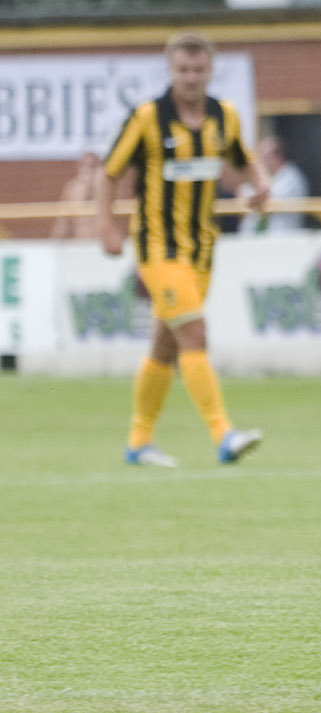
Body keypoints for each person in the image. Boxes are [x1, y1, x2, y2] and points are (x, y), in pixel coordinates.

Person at [95, 32, 270, 468]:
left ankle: (139, 442)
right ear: (170, 71)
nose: (191, 77)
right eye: (183, 70)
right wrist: (106, 227)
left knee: (165, 345)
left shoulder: (224, 116)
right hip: (158, 246)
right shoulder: (147, 118)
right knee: (194, 332)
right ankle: (224, 435)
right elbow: (109, 172)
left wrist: (261, 184)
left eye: (199, 69)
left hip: (202, 249)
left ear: (210, 70)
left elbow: (243, 159)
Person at [250, 134, 310, 231]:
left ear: (277, 157)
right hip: (269, 235)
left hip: (285, 234)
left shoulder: (292, 177)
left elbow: (265, 200)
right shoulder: (273, 177)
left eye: (264, 157)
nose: (260, 162)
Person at [50, 150, 100, 239]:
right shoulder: (71, 188)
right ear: (78, 166)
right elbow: (62, 222)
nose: (88, 169)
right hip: (81, 241)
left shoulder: (105, 188)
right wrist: (54, 243)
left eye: (92, 165)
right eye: (84, 165)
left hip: (101, 241)